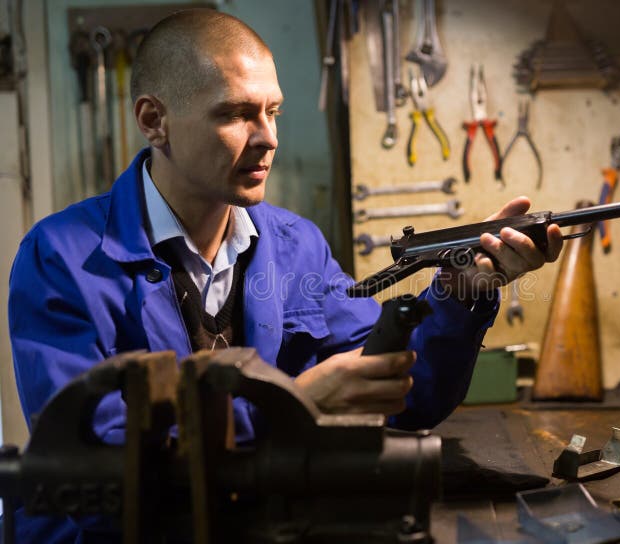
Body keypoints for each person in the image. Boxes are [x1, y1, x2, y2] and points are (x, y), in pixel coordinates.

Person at [7, 8, 563, 542]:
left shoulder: (295, 247)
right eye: (234, 113)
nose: (268, 137)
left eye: (273, 111)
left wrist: (461, 291)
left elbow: (401, 396)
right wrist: (297, 405)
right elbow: (98, 467)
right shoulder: (62, 259)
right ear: (155, 121)